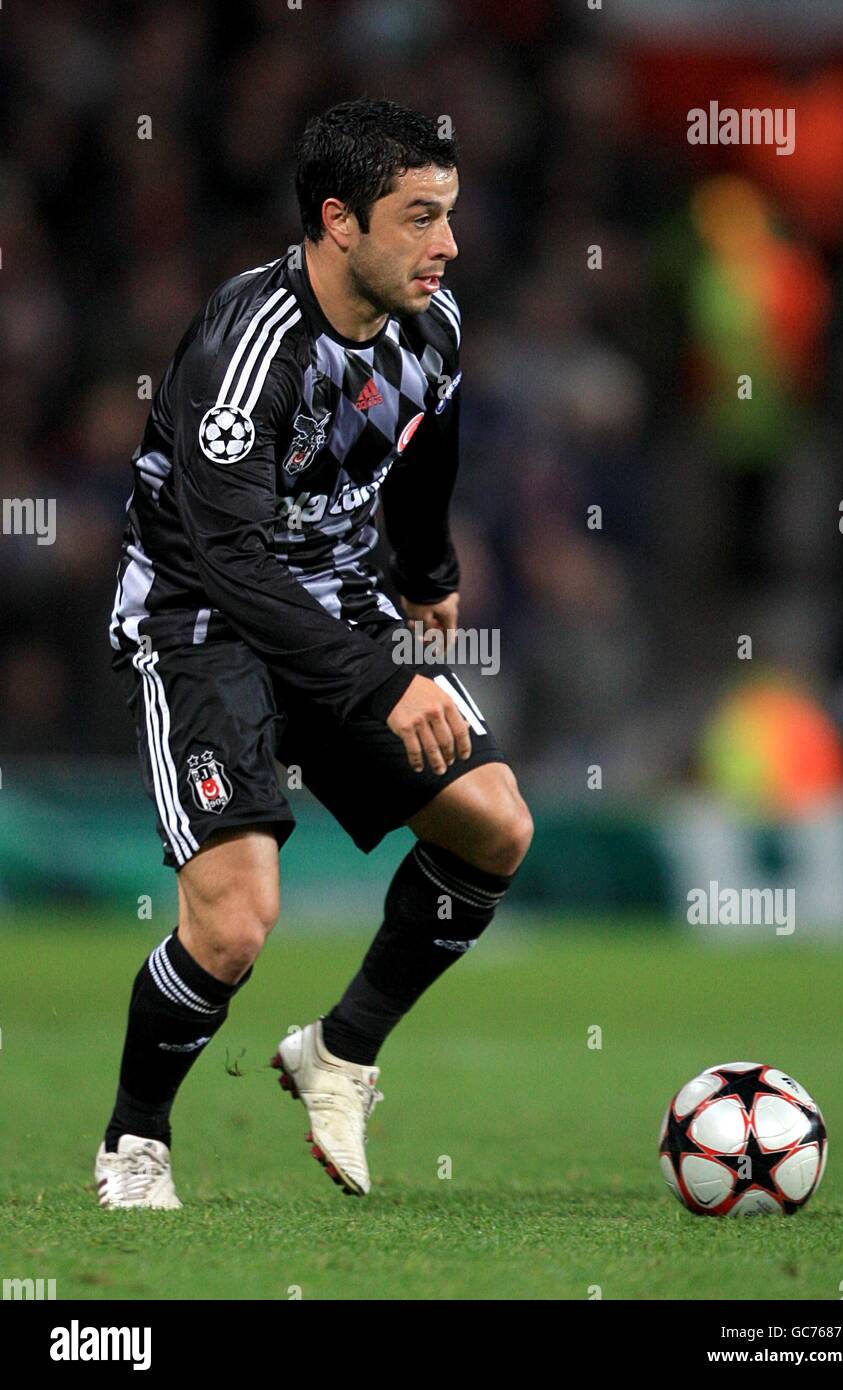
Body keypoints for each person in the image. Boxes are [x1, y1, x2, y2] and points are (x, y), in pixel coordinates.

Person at [98, 97, 533, 1208]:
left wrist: (426, 571)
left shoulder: (431, 322)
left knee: (493, 822)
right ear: (339, 222)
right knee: (236, 922)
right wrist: (375, 680)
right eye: (419, 217)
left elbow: (427, 438)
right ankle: (135, 1140)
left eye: (449, 214)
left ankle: (338, 1052)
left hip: (338, 603)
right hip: (198, 616)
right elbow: (232, 561)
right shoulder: (250, 354)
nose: (447, 244)